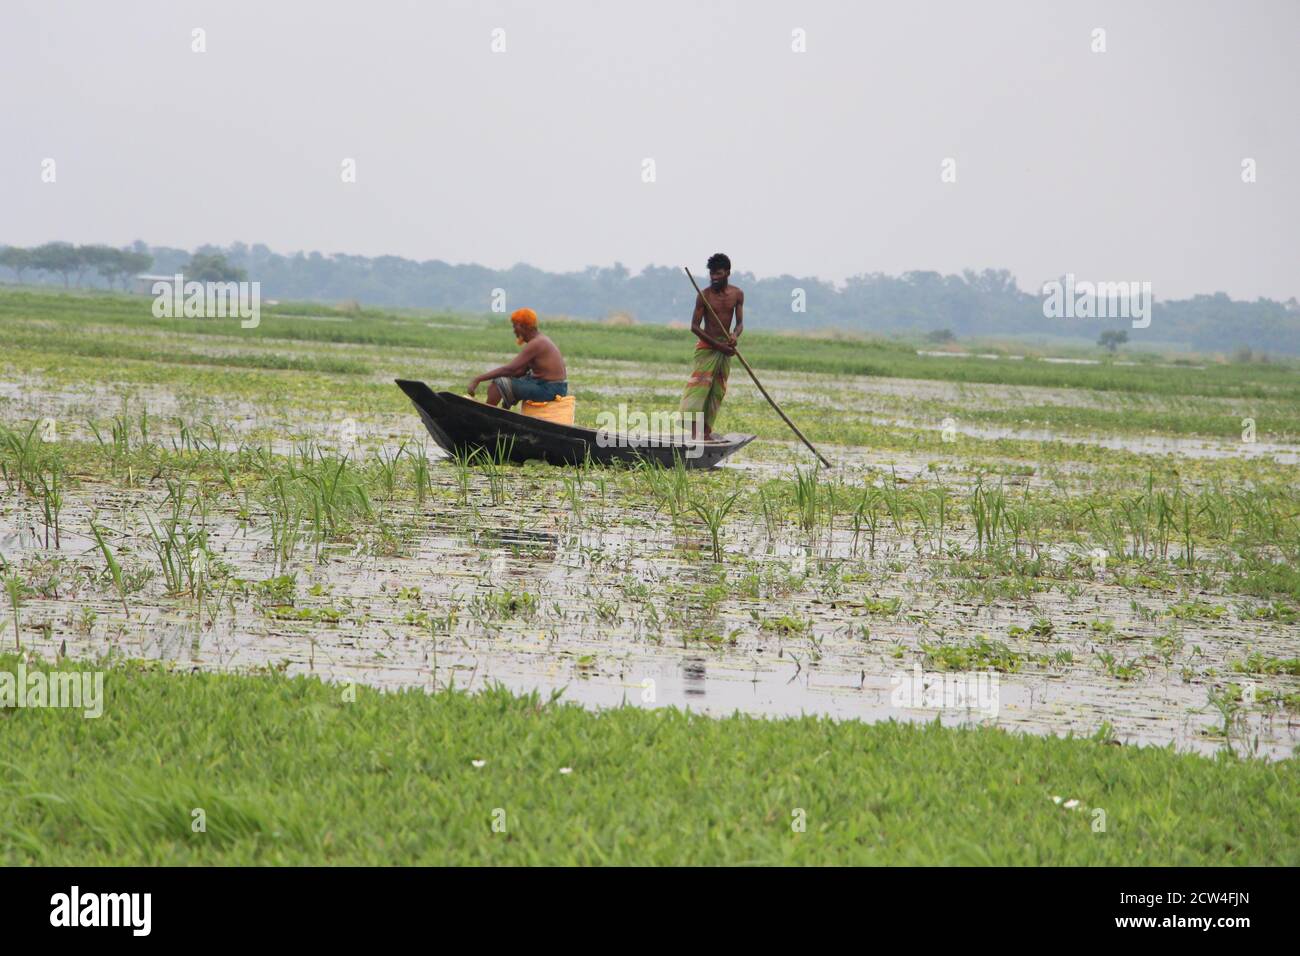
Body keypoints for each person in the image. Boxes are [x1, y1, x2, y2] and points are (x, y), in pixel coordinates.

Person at [679, 253, 743, 440]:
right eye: (712, 274)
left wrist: (734, 336)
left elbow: (739, 324)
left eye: (718, 273)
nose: (714, 277)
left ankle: (705, 433)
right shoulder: (704, 296)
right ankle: (694, 435)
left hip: (725, 350)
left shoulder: (737, 294)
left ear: (728, 273)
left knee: (716, 391)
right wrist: (717, 345)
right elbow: (694, 326)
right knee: (699, 390)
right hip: (707, 348)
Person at [467, 308, 568, 409]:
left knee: (499, 383)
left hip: (551, 390)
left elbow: (510, 369)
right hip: (553, 388)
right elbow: (519, 371)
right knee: (508, 381)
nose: (514, 330)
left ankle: (486, 412)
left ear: (522, 326)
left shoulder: (537, 343)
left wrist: (478, 379)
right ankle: (502, 412)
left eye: (514, 326)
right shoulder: (539, 341)